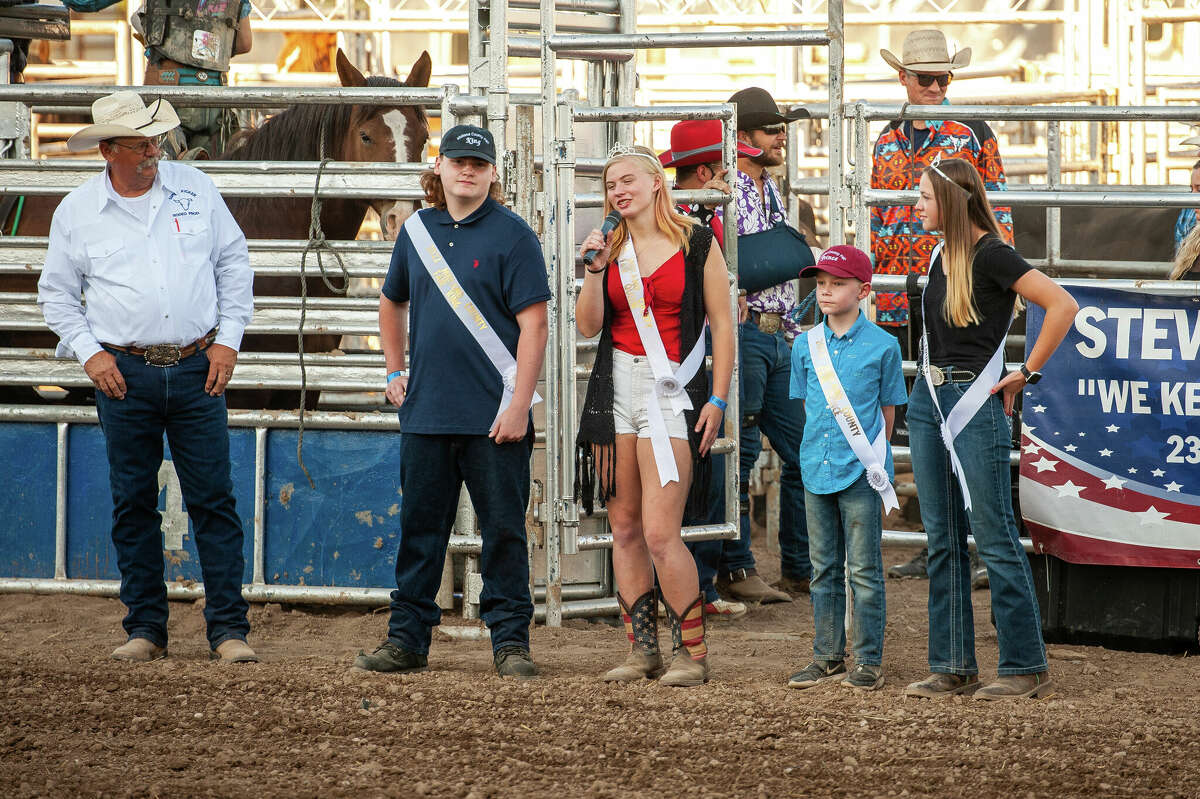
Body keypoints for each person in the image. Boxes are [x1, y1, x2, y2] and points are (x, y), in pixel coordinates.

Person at [37, 91, 256, 663]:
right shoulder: (76, 212)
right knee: (134, 500)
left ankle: (228, 630)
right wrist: (90, 354)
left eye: (155, 140)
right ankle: (147, 628)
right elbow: (56, 296)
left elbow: (234, 263)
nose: (153, 151)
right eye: (140, 144)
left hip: (196, 362)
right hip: (122, 370)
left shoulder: (196, 187)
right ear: (107, 151)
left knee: (213, 498)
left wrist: (228, 340)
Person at [353, 125, 549, 679]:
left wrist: (519, 404)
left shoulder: (514, 236)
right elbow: (391, 304)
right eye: (458, 161)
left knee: (504, 532)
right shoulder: (414, 231)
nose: (468, 171)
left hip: (494, 415)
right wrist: (394, 369)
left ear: (492, 173)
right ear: (438, 167)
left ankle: (511, 642)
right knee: (420, 531)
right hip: (429, 413)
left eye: (479, 163)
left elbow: (536, 327)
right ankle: (407, 640)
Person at [903, 157, 1077, 700]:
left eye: (926, 198)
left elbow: (1062, 304)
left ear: (950, 203)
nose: (917, 206)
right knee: (942, 535)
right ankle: (953, 662)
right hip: (931, 397)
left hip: (971, 398)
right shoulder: (942, 254)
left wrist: (1025, 373)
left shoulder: (991, 254)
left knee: (994, 532)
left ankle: (1023, 663)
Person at [576, 143, 735, 687]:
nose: (618, 191)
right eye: (610, 185)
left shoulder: (696, 241)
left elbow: (722, 323)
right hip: (616, 385)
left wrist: (717, 398)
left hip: (673, 389)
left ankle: (691, 652)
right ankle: (640, 651)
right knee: (623, 527)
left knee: (662, 531)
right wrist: (593, 272)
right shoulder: (610, 246)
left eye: (627, 181)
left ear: (655, 184)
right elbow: (588, 326)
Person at [872, 29, 1013, 582]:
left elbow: (995, 208)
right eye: (925, 78)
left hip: (956, 293)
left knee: (962, 410)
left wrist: (993, 284)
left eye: (942, 78)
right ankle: (941, 538)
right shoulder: (885, 136)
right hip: (898, 294)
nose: (934, 87)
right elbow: (879, 216)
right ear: (903, 78)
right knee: (919, 420)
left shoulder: (972, 131)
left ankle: (974, 543)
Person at [786, 245, 907, 692]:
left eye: (837, 283)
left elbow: (889, 414)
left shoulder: (885, 346)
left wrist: (874, 459)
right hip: (816, 466)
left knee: (863, 569)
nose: (826, 291)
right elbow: (807, 405)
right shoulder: (805, 345)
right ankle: (827, 655)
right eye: (820, 284)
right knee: (823, 567)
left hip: (860, 470)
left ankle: (869, 659)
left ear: (864, 291)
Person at [658, 118, 761, 621]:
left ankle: (706, 579)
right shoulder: (679, 215)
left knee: (710, 464)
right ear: (705, 172)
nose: (730, 176)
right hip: (675, 357)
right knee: (692, 467)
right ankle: (691, 585)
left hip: (694, 355)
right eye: (723, 167)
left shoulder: (698, 215)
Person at [717, 86, 812, 604]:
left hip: (778, 332)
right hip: (748, 332)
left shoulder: (769, 187)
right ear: (744, 137)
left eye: (780, 130)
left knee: (802, 449)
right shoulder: (721, 187)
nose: (781, 137)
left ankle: (798, 566)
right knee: (744, 449)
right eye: (772, 129)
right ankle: (737, 567)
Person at [133, 0, 253, 157]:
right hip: (214, 93)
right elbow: (245, 43)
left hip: (169, 87)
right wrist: (210, 48)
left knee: (165, 169)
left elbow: (137, 19)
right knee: (212, 170)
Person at [1173, 154, 1199, 253]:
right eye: (1192, 189)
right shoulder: (1188, 212)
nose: (1192, 196)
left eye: (1199, 189)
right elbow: (1181, 256)